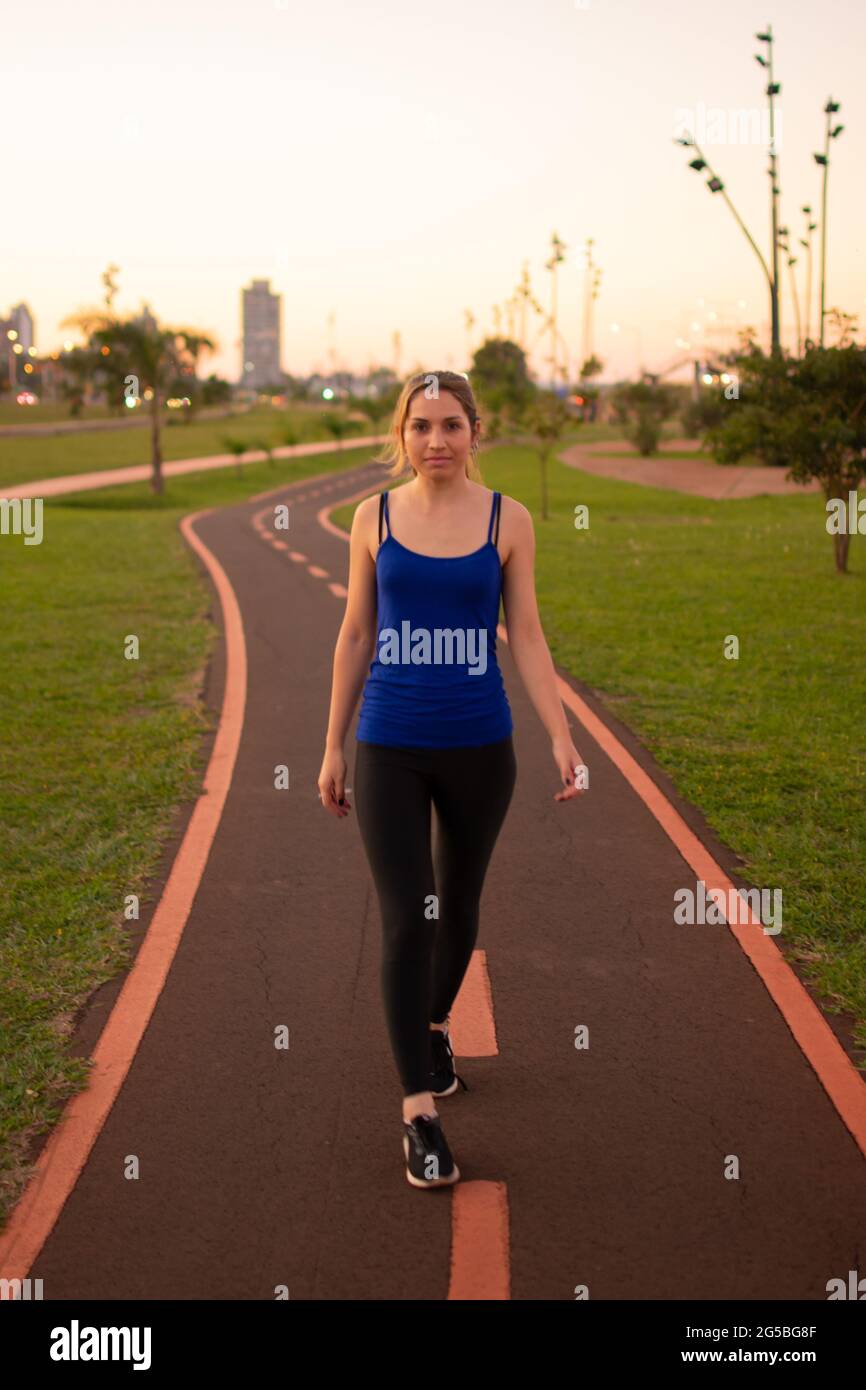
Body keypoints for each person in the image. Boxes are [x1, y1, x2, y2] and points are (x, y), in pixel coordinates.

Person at [318, 369, 585, 1190]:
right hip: (390, 743)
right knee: (406, 918)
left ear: (476, 432)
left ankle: (433, 1026)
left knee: (458, 905)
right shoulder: (374, 517)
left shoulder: (510, 519)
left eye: (450, 425)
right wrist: (332, 746)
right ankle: (418, 1116)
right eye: (421, 425)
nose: (435, 440)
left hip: (480, 745)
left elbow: (528, 636)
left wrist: (561, 736)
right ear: (401, 434)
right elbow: (358, 631)